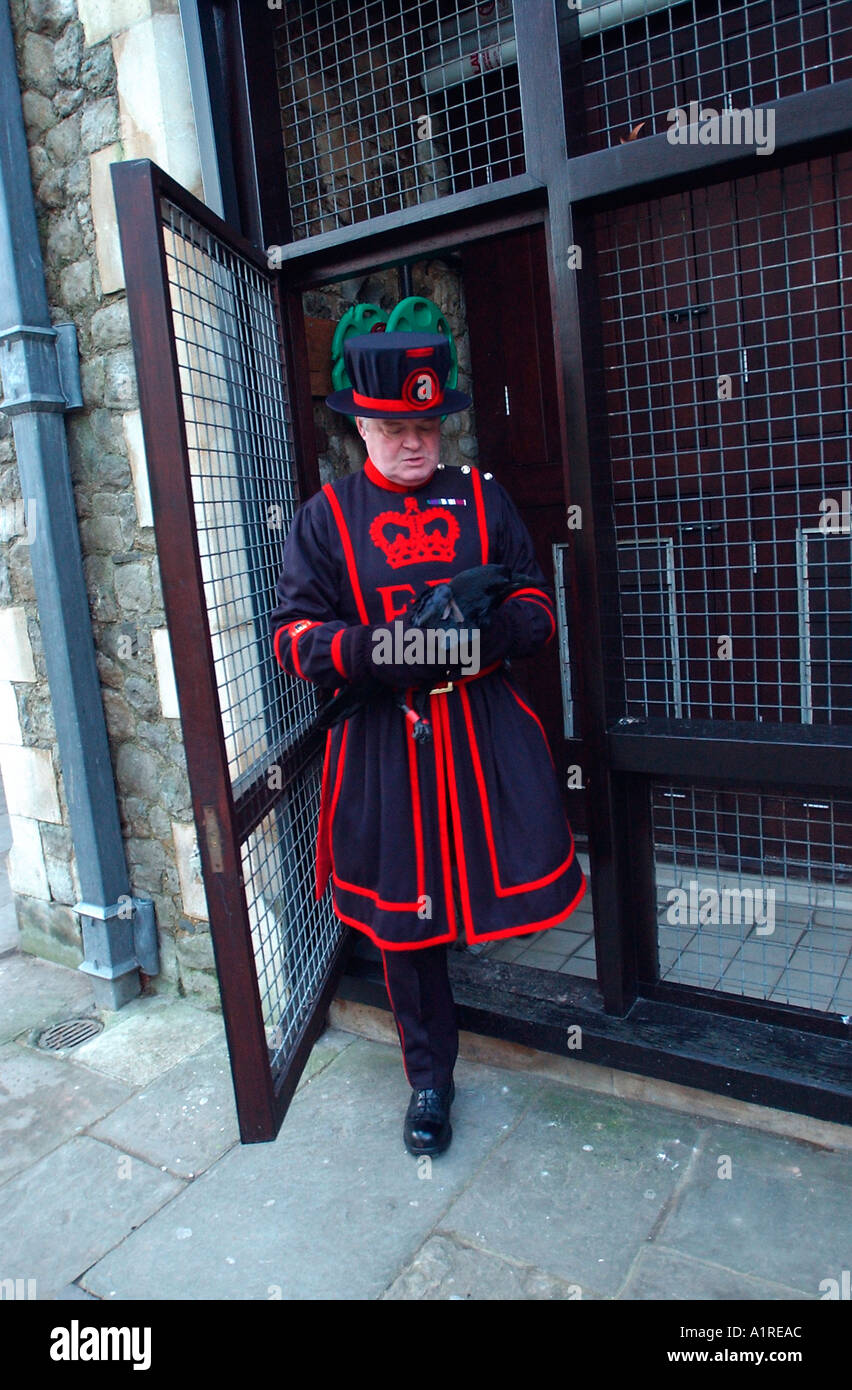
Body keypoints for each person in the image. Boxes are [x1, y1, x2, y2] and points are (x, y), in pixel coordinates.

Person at [270, 331, 587, 1157]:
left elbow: (540, 611)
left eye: (429, 426)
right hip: (382, 742)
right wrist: (386, 648)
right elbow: (294, 639)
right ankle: (429, 1080)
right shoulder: (325, 517)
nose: (414, 442)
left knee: (495, 879)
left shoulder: (484, 498)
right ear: (360, 430)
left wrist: (485, 637)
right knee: (407, 923)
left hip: (480, 733)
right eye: (392, 428)